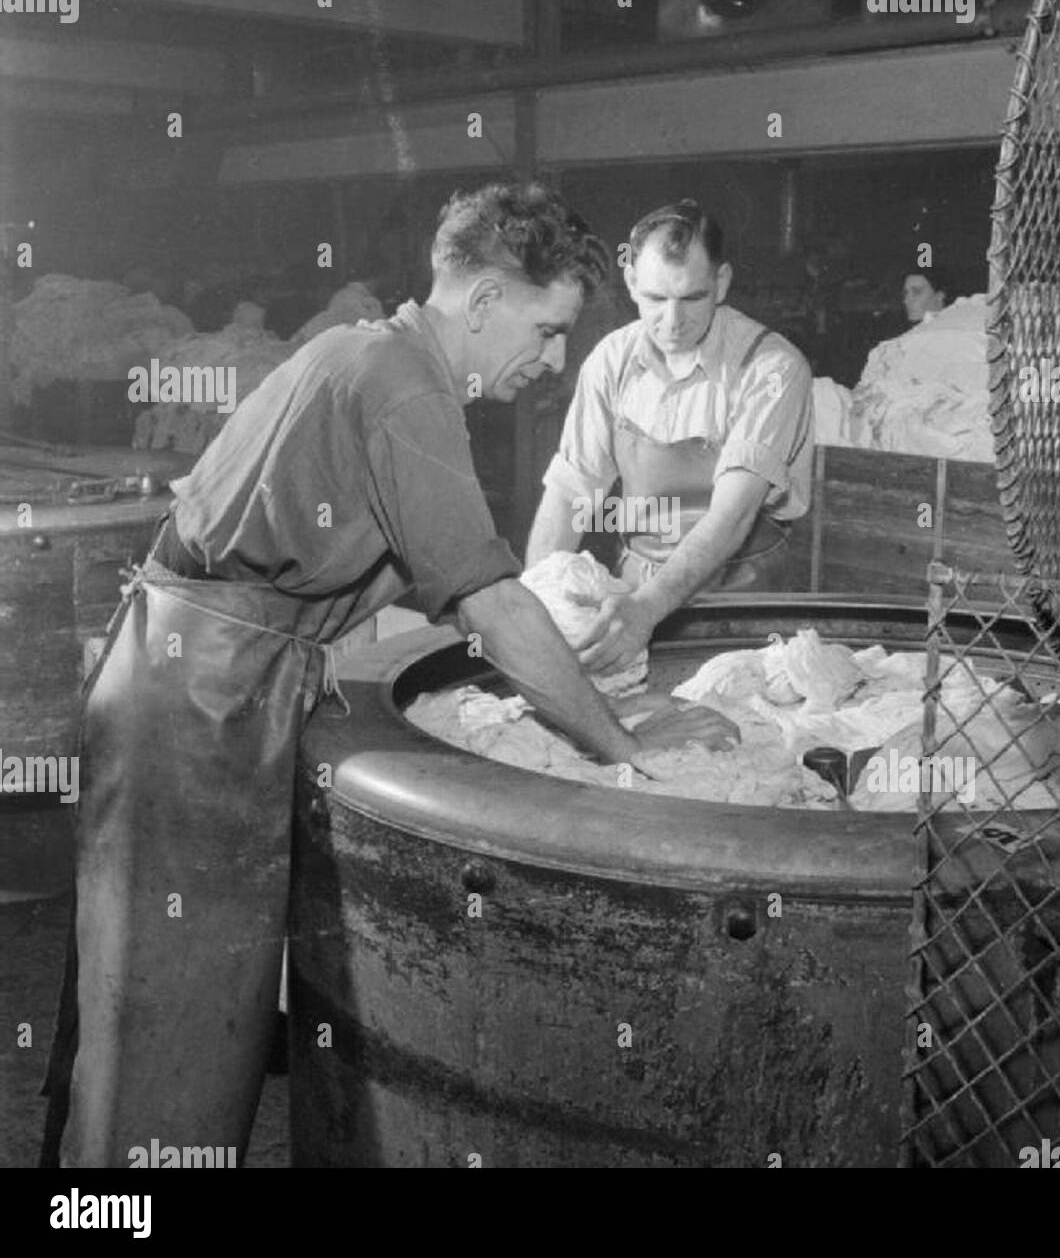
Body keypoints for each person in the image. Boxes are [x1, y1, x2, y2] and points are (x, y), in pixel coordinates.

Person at [39, 182, 737, 1169]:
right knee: (166, 1021)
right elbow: (489, 605)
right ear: (486, 302)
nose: (548, 363)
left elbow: (411, 580)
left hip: (207, 676)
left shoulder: (371, 356)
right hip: (195, 697)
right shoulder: (399, 382)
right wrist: (626, 744)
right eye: (545, 331)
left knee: (155, 1012)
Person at [527, 198, 813, 680]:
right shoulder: (611, 362)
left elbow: (732, 515)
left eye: (692, 298)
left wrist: (645, 609)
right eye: (657, 299)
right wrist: (534, 602)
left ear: (721, 283)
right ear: (631, 282)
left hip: (742, 601)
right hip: (637, 586)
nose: (673, 321)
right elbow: (572, 492)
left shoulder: (772, 369)